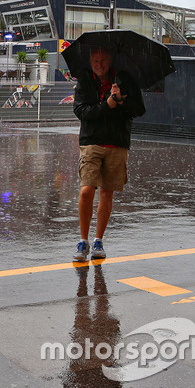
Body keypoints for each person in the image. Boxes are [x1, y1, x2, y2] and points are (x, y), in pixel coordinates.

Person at [72, 47, 145, 261]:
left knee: (106, 192)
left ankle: (98, 241)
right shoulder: (85, 81)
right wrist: (107, 105)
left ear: (110, 60)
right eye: (95, 60)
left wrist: (122, 100)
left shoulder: (124, 80)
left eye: (103, 60)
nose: (99, 64)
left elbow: (139, 110)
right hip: (92, 142)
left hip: (117, 143)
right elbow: (81, 111)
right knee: (87, 190)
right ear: (90, 61)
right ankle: (83, 240)